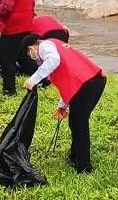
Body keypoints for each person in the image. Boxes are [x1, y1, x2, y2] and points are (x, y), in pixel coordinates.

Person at [22, 34, 106, 173]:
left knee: (79, 125)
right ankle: (74, 157)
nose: (34, 57)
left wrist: (33, 79)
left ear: (32, 48)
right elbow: (67, 79)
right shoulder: (56, 43)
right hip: (94, 82)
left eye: (31, 54)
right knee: (76, 122)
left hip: (87, 84)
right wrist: (63, 105)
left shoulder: (44, 46)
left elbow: (54, 60)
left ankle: (84, 167)